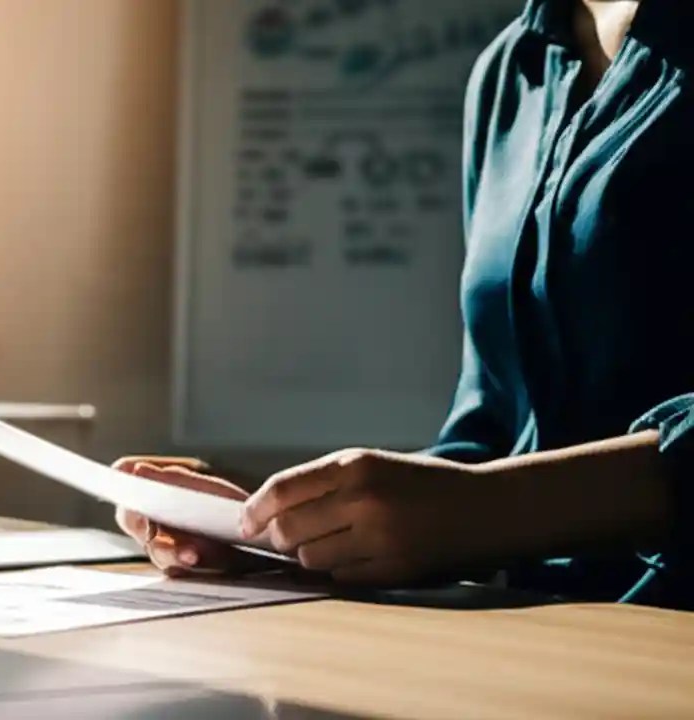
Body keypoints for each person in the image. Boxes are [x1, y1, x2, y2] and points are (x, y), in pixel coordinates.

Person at [117, 0, 694, 609]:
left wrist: (489, 507)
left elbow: (486, 499)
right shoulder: (512, 68)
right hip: (538, 639)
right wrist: (294, 528)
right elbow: (494, 428)